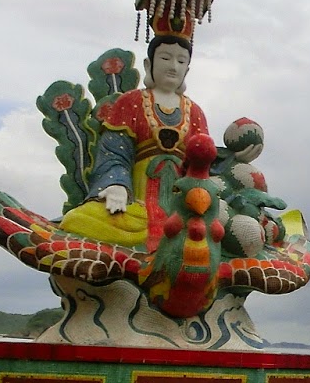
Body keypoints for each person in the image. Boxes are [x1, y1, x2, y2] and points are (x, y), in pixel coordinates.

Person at [58, 32, 210, 247]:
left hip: (182, 210)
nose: (173, 66)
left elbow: (203, 167)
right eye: (166, 58)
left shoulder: (195, 112)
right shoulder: (131, 102)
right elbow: (114, 153)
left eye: (181, 61)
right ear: (149, 64)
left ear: (187, 69)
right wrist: (117, 185)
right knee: (78, 220)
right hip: (137, 208)